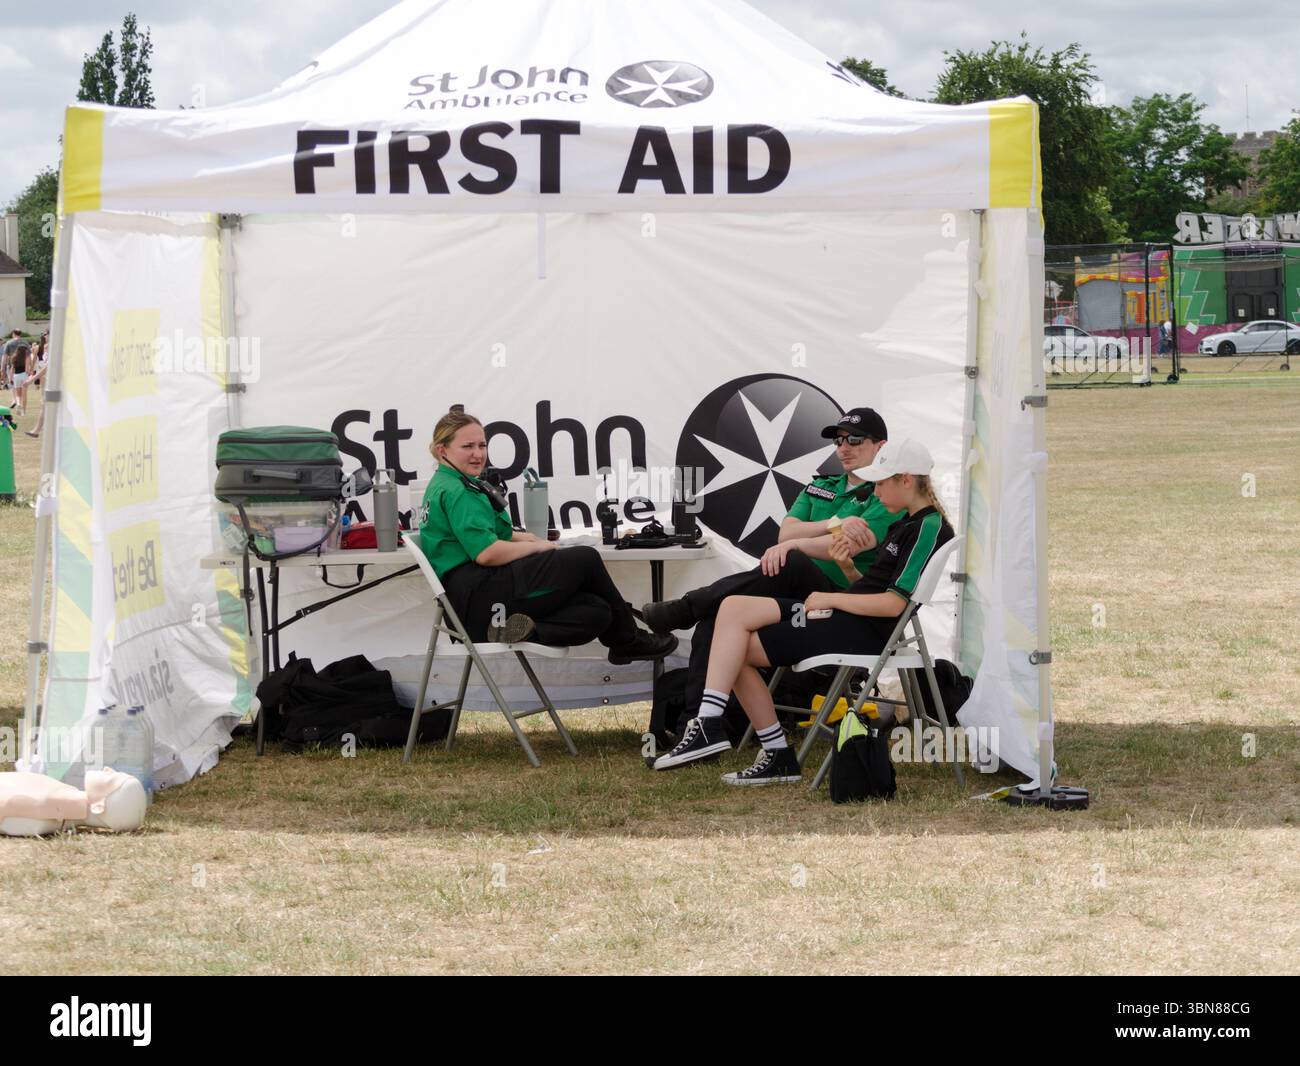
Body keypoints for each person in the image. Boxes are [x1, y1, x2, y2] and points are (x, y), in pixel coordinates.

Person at [652, 438, 953, 781]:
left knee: (734, 645)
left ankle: (758, 744)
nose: (876, 488)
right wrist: (849, 570)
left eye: (882, 481)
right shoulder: (908, 523)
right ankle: (720, 727)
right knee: (733, 616)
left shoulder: (928, 526)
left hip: (864, 630)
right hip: (854, 619)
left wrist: (831, 598)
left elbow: (894, 605)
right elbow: (878, 587)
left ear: (907, 480)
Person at [641, 407, 907, 721]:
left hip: (842, 600)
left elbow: (841, 546)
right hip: (796, 596)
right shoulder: (822, 485)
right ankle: (697, 723)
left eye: (855, 440)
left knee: (792, 561)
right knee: (715, 622)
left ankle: (688, 607)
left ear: (881, 446)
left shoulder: (886, 494)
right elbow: (786, 531)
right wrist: (837, 520)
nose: (844, 448)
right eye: (839, 441)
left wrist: (800, 542)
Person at [418, 407, 677, 662]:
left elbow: (495, 533)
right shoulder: (459, 491)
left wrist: (527, 538)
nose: (478, 454)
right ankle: (628, 641)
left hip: (470, 606)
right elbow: (487, 553)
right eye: (468, 447)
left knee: (598, 611)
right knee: (585, 559)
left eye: (482, 445)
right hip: (481, 597)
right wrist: (539, 548)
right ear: (443, 450)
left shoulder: (448, 483)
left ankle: (528, 629)